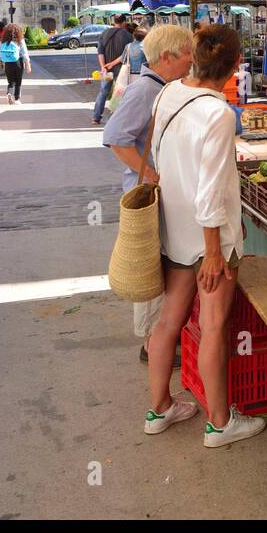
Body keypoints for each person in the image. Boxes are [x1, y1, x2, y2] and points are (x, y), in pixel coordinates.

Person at [144, 24, 265, 447]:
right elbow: (211, 190)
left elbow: (165, 160)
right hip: (208, 239)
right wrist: (214, 251)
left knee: (169, 321)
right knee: (213, 326)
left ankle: (159, 409)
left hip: (173, 228)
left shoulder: (168, 93)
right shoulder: (217, 114)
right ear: (233, 67)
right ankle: (219, 423)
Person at [102, 23, 194, 365]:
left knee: (159, 266)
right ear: (166, 57)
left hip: (156, 192)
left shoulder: (161, 87)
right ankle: (152, 344)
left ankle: (156, 341)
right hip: (149, 195)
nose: (190, 61)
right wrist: (155, 176)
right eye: (186, 54)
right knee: (150, 269)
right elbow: (115, 138)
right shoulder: (146, 90)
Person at [92, 14, 135, 125]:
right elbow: (126, 54)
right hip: (120, 68)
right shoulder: (128, 35)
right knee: (120, 92)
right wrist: (112, 63)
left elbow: (100, 52)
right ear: (124, 22)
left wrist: (103, 66)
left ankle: (96, 117)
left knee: (103, 92)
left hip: (106, 68)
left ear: (113, 21)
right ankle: (116, 117)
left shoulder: (104, 33)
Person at [0, 24, 33, 104]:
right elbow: (24, 53)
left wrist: (6, 57)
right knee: (18, 81)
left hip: (8, 63)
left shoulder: (3, 41)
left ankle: (9, 92)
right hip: (18, 62)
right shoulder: (20, 40)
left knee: (11, 81)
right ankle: (16, 99)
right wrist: (28, 64)